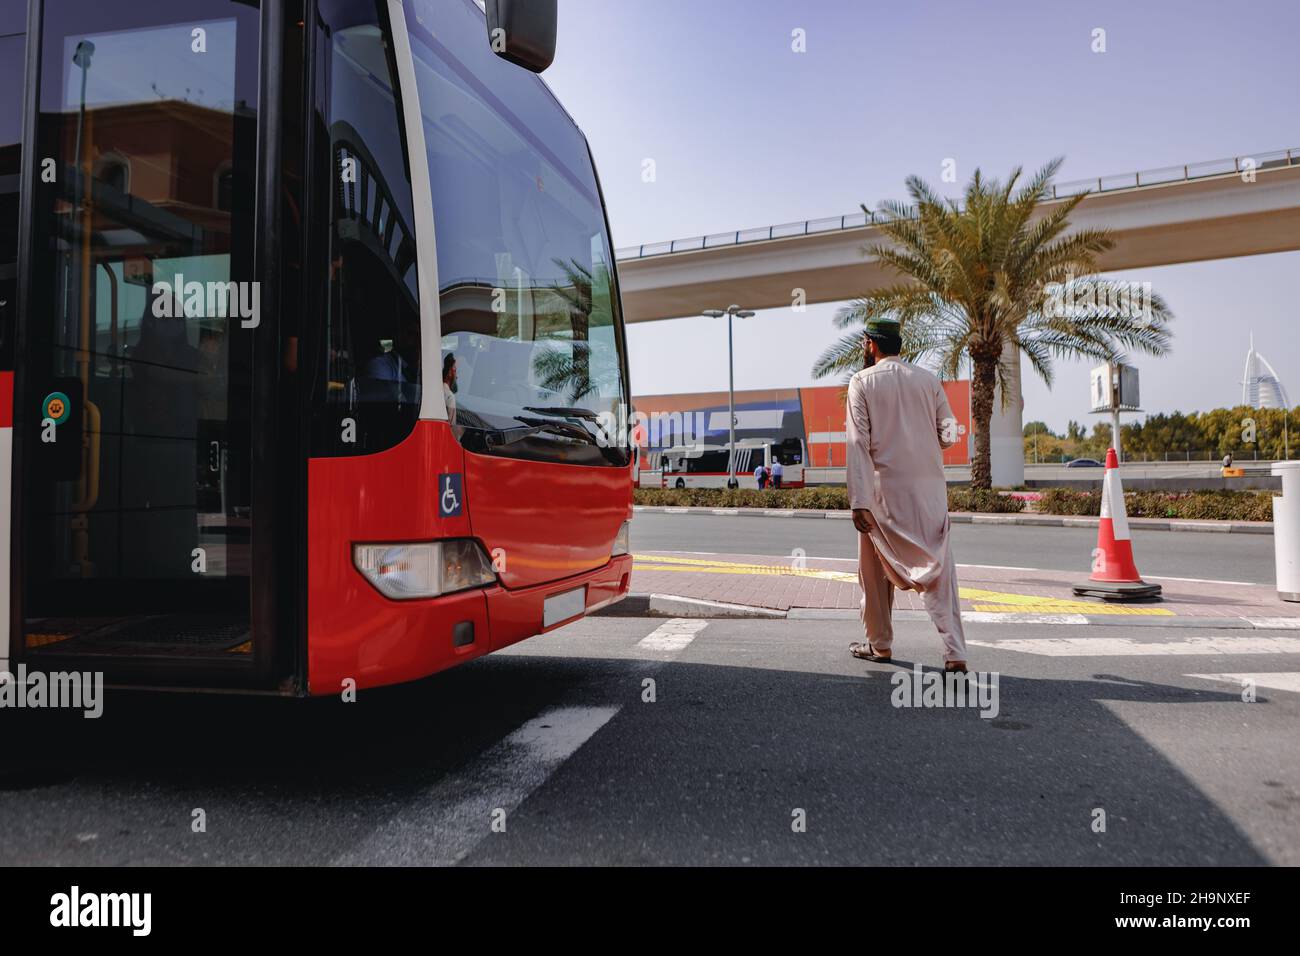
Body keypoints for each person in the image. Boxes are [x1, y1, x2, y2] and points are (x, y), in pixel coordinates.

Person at [845, 317, 968, 673]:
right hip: (930, 495)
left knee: (873, 571)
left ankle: (879, 645)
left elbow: (858, 444)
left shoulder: (861, 382)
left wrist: (859, 501)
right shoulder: (929, 381)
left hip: (883, 497)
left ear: (871, 344)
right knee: (942, 575)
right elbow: (949, 435)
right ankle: (955, 652)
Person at [443, 351, 463, 439]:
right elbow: (451, 430)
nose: (457, 376)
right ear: (449, 373)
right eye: (455, 370)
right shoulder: (449, 397)